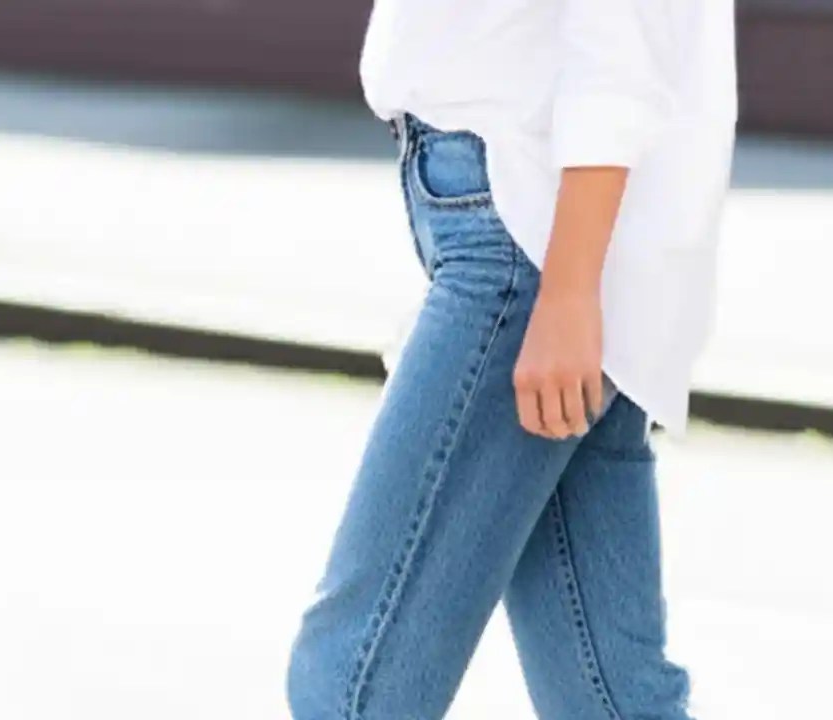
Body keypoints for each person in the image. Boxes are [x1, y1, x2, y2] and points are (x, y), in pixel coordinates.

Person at [287, 0, 737, 717]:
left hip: (525, 241)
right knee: (606, 694)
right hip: (521, 234)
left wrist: (565, 289)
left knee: (354, 683)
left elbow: (619, 46)